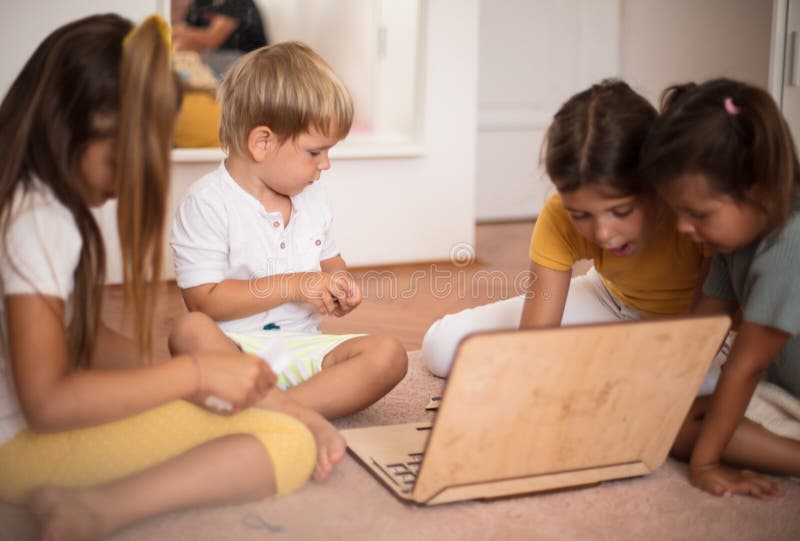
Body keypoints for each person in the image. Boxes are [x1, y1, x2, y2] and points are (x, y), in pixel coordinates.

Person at [0, 14, 321, 541]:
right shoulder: (40, 221)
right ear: (74, 127)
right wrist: (192, 376)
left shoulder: (29, 201)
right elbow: (47, 402)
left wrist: (181, 383)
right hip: (17, 449)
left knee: (242, 416)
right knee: (287, 443)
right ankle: (96, 512)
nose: (126, 186)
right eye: (119, 161)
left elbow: (86, 337)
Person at [169, 41, 408, 421]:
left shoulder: (312, 199)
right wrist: (297, 284)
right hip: (232, 350)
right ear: (262, 143)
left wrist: (340, 283)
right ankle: (281, 409)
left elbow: (331, 261)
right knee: (189, 329)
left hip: (298, 348)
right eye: (315, 152)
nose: (325, 165)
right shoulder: (208, 203)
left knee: (388, 355)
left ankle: (269, 412)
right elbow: (204, 300)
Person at [422, 80, 712, 379]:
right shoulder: (558, 215)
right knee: (441, 346)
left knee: (692, 383)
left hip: (693, 325)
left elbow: (704, 332)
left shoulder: (694, 213)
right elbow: (536, 339)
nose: (603, 233)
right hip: (612, 301)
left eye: (621, 211)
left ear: (657, 178)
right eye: (581, 215)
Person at [639, 78, 800, 499]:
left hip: (773, 382)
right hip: (784, 384)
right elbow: (701, 334)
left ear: (760, 192)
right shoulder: (735, 237)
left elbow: (744, 368)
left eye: (698, 214)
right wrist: (642, 393)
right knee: (663, 415)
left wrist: (706, 464)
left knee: (680, 429)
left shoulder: (790, 250)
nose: (682, 228)